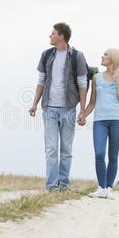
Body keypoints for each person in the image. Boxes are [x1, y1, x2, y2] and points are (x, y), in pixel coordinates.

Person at [29, 23, 88, 191]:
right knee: (51, 149)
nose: (50, 36)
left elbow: (83, 84)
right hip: (49, 108)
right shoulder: (46, 55)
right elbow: (41, 81)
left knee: (66, 149)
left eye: (53, 33)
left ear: (61, 36)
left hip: (68, 109)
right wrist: (34, 104)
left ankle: (64, 184)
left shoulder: (77, 56)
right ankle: (52, 185)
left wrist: (83, 111)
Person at [83, 48, 119, 199]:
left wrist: (117, 80)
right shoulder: (96, 78)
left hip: (117, 121)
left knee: (113, 156)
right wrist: (83, 114)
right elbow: (92, 102)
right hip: (100, 122)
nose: (102, 56)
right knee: (99, 154)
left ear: (113, 58)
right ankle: (101, 188)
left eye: (105, 54)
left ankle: (108, 189)